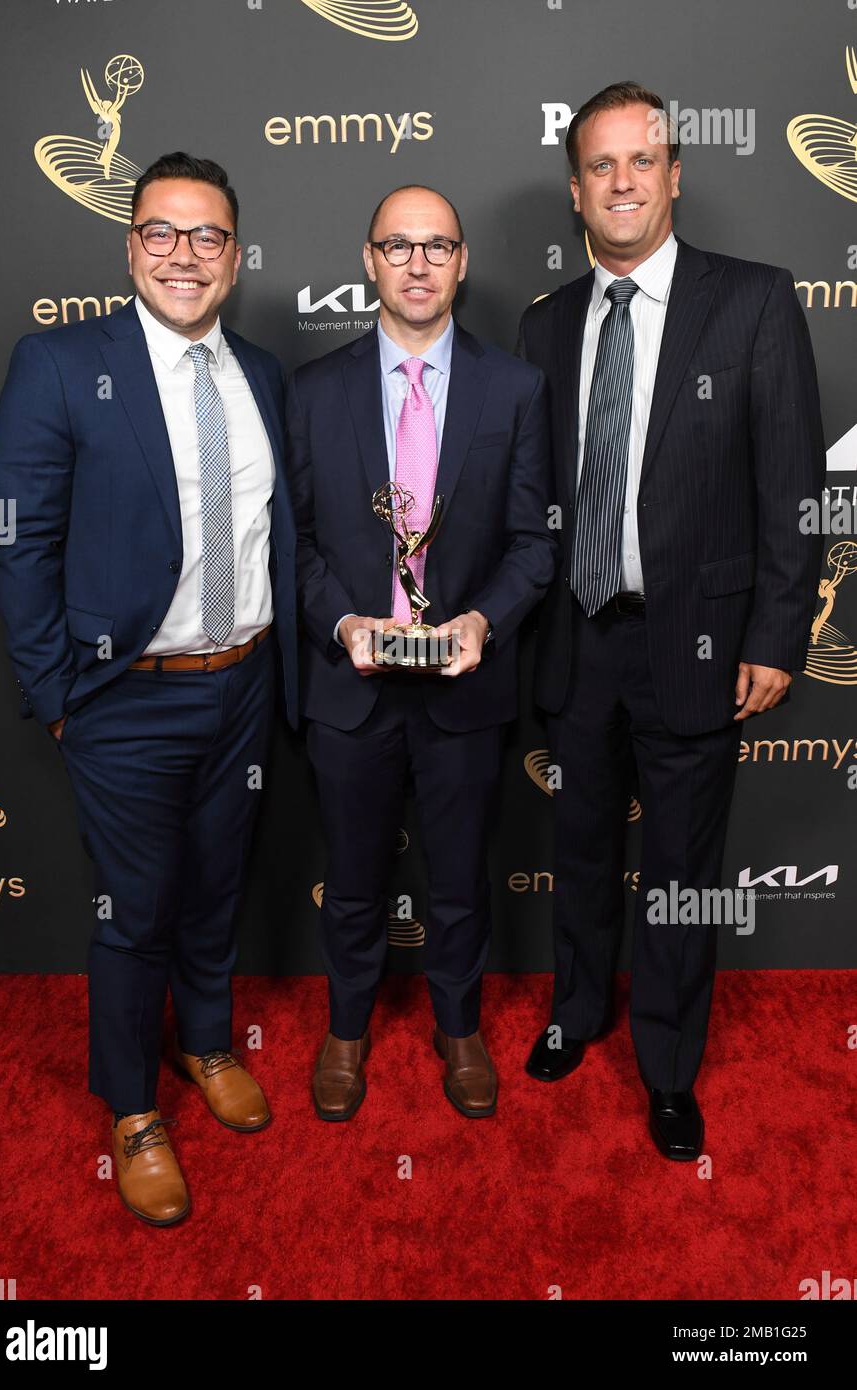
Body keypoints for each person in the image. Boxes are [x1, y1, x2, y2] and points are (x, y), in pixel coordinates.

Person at [0, 152, 297, 1223]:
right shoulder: (64, 363)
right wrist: (59, 689)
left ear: (235, 256)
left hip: (245, 685)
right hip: (126, 697)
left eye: (206, 236)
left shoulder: (260, 373)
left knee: (218, 888)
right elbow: (18, 544)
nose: (184, 254)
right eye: (161, 232)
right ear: (129, 247)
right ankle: (131, 1105)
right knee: (135, 911)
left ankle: (206, 1043)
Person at [517, 83, 825, 1160]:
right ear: (574, 190)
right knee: (583, 848)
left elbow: (793, 485)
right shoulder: (545, 325)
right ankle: (574, 1008)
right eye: (599, 166)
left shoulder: (752, 302)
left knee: (684, 872)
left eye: (640, 161)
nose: (620, 182)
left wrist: (776, 636)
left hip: (698, 641)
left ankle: (665, 1062)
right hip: (575, 641)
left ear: (674, 173)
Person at [287, 185, 557, 1121]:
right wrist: (342, 624)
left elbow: (534, 543)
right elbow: (301, 543)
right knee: (353, 878)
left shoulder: (513, 388)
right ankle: (347, 1028)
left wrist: (483, 622)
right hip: (349, 689)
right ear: (368, 261)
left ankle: (459, 1026)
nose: (416, 264)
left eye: (435, 246)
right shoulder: (313, 390)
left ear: (462, 262)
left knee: (459, 877)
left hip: (464, 687)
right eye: (396, 247)